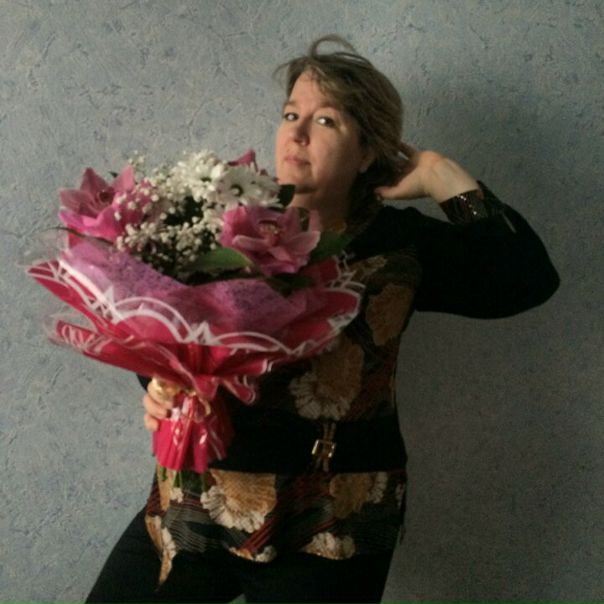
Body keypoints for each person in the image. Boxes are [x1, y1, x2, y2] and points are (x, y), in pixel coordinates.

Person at [85, 36, 559, 604]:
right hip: (193, 500)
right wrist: (161, 384)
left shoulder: (402, 245)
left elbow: (526, 278)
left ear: (367, 152)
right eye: (291, 115)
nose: (298, 133)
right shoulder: (220, 222)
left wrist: (442, 177)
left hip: (330, 521)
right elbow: (158, 327)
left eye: (326, 120)